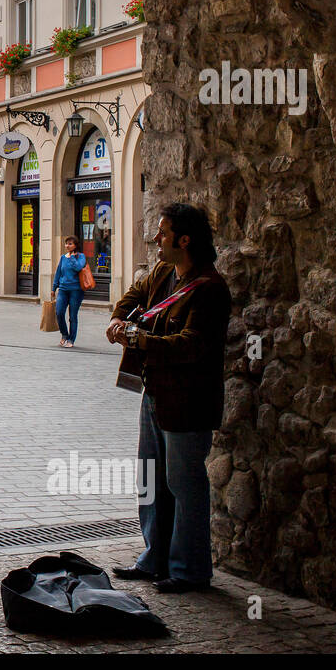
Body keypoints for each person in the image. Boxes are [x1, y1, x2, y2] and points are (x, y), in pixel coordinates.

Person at [107, 203, 232, 594]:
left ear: (184, 239)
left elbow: (192, 346)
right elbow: (131, 297)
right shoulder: (162, 273)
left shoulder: (210, 289)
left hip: (188, 402)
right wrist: (118, 318)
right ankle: (154, 558)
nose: (155, 238)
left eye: (162, 233)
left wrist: (138, 338)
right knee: (151, 479)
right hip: (154, 393)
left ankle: (189, 570)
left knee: (184, 483)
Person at [52, 236, 87, 348]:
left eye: (70, 244)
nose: (67, 246)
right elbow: (58, 273)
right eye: (66, 243)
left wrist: (72, 258)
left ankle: (71, 340)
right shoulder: (63, 258)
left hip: (76, 291)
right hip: (63, 289)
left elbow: (78, 267)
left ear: (76, 245)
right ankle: (64, 335)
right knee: (59, 313)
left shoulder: (81, 256)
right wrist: (54, 288)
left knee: (73, 316)